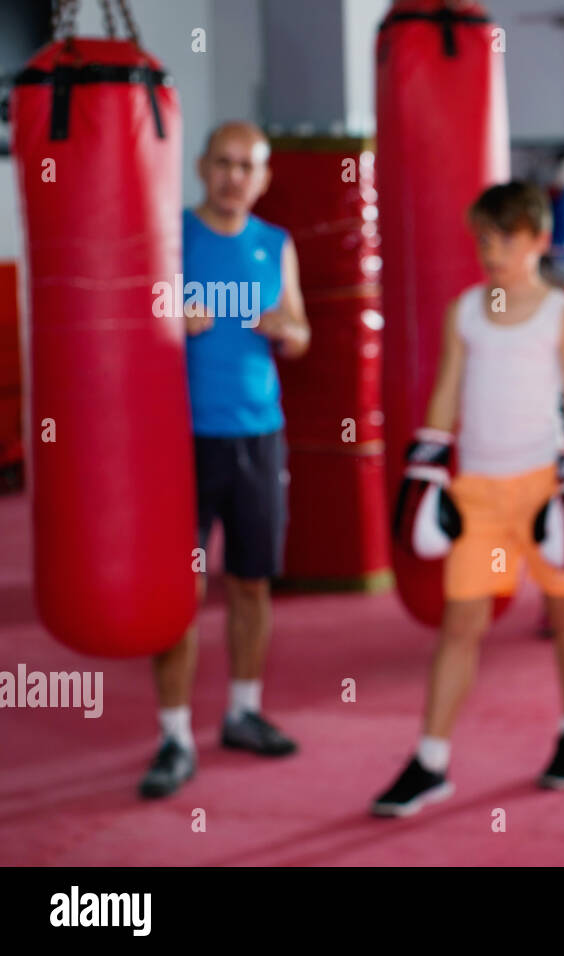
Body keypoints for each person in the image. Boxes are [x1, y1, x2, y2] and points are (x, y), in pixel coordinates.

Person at [372, 180, 564, 816]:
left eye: (504, 238)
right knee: (460, 625)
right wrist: (427, 463)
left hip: (543, 486)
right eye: (483, 238)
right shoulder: (466, 311)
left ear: (538, 239)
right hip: (476, 489)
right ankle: (430, 760)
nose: (491, 250)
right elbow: (447, 390)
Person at [140, 121, 312, 799]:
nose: (234, 176)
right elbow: (131, 314)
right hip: (179, 439)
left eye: (248, 166)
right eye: (223, 163)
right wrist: (166, 313)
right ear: (202, 168)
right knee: (178, 593)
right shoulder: (170, 235)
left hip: (259, 437)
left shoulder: (276, 245)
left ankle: (242, 709)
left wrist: (286, 330)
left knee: (250, 582)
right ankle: (174, 735)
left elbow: (300, 330)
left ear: (264, 178)